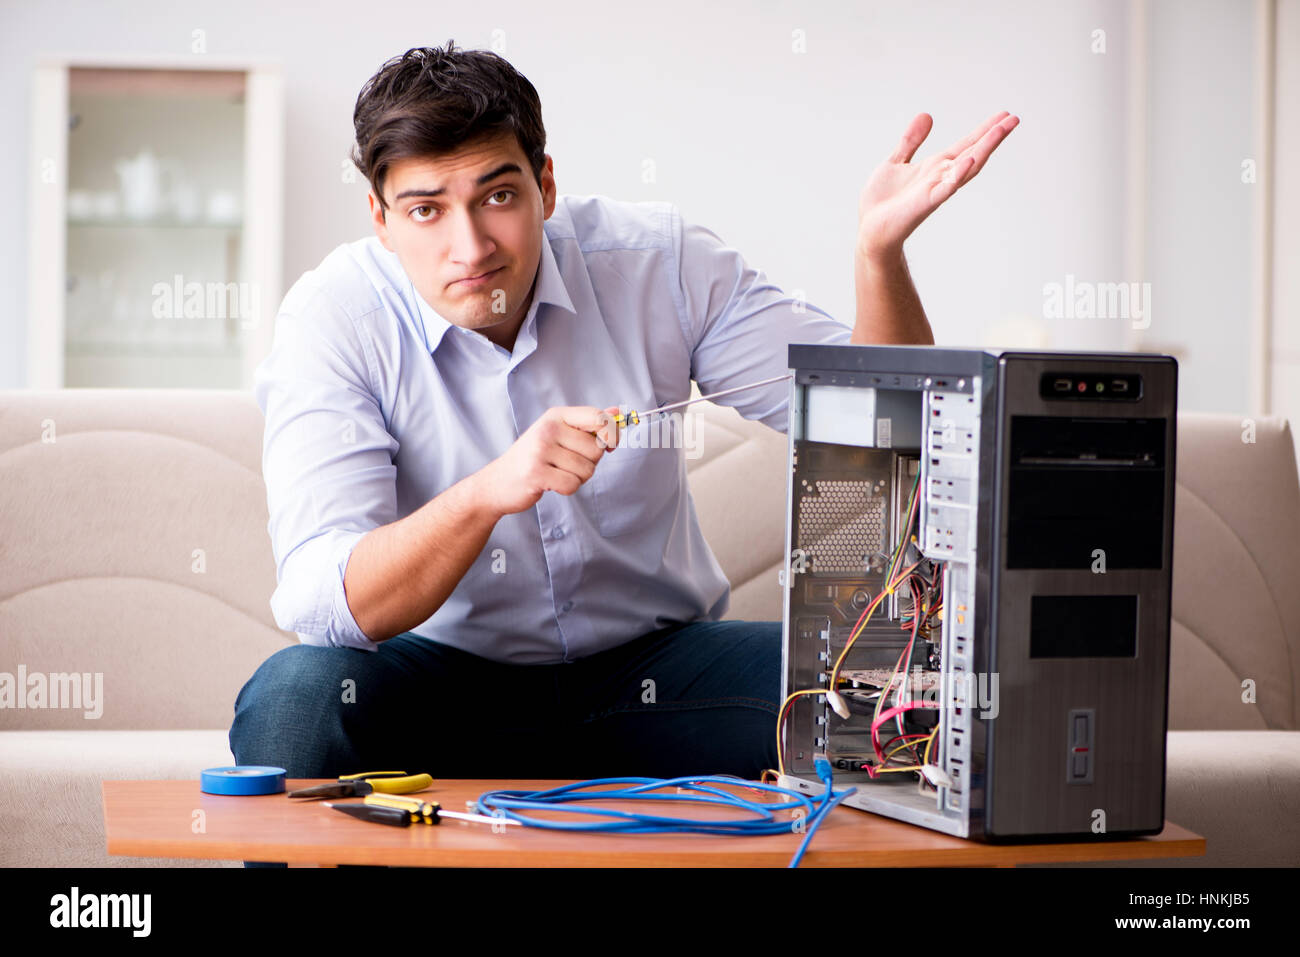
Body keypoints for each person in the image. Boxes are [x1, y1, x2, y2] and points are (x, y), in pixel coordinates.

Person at [229, 41, 1017, 787]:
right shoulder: (335, 318)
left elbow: (887, 430)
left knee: (901, 691)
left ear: (545, 184)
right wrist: (485, 492)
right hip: (441, 683)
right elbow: (326, 601)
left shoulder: (656, 264)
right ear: (380, 216)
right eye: (427, 210)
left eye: (498, 196)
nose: (470, 246)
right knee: (296, 699)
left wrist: (879, 255)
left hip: (657, 677)